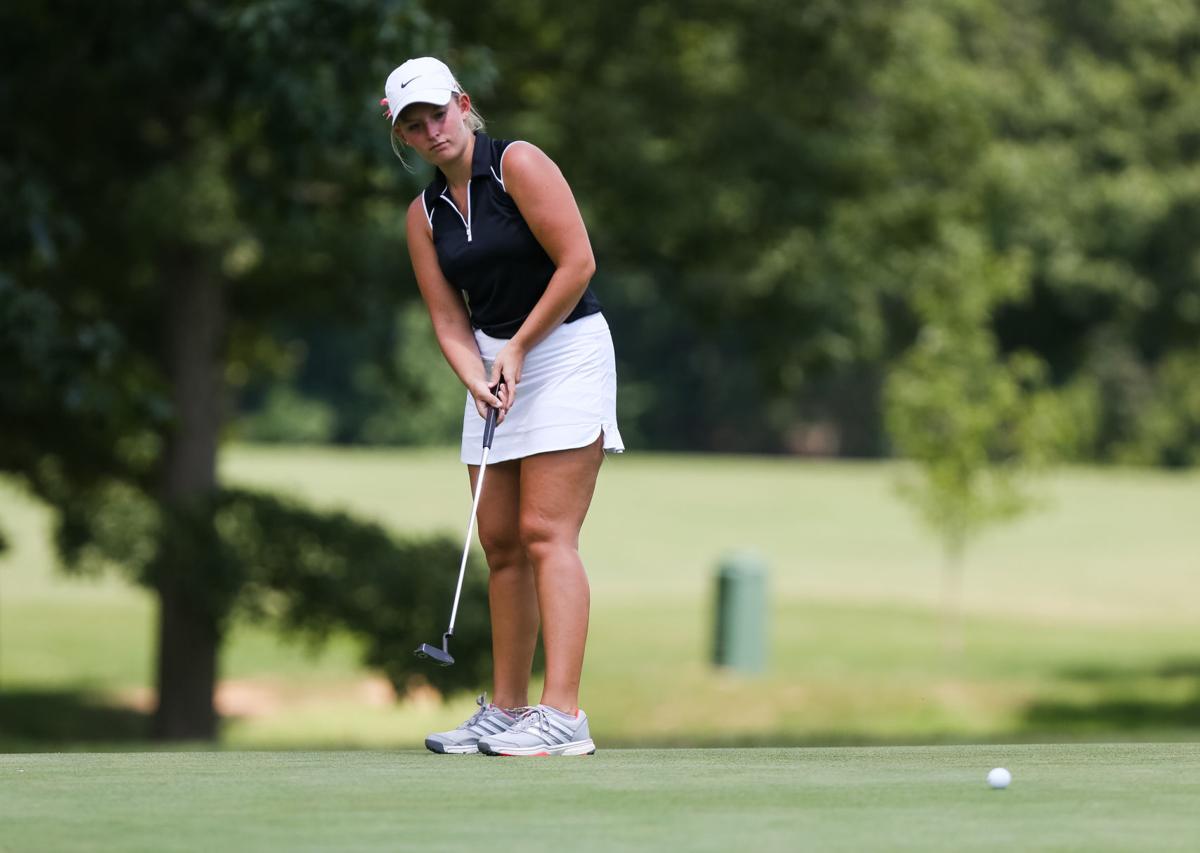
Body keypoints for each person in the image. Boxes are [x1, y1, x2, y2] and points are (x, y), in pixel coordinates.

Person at [382, 57, 623, 757]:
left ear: (463, 105)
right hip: (493, 359)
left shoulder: (518, 164)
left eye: (438, 114)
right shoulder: (423, 215)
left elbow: (578, 263)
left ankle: (564, 715)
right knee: (501, 543)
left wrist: (516, 348)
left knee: (547, 532)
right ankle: (511, 711)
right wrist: (475, 373)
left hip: (566, 347)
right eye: (414, 126)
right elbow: (447, 319)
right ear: (403, 137)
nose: (432, 132)